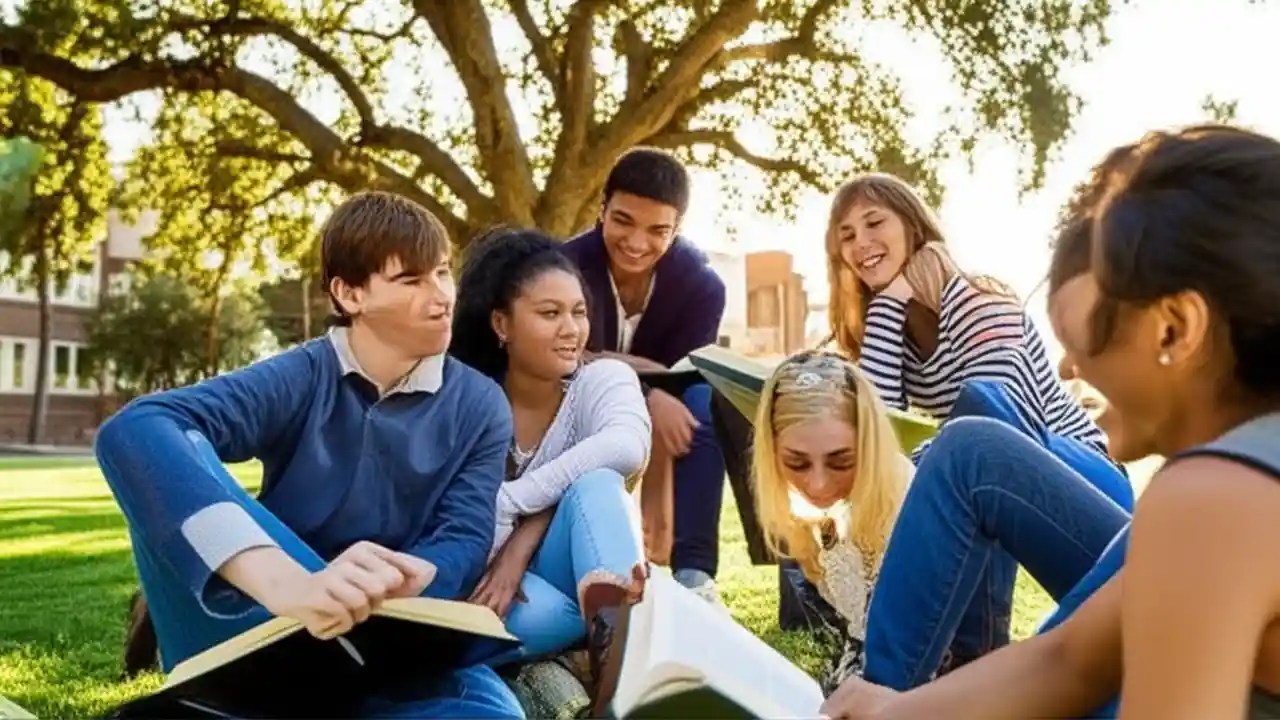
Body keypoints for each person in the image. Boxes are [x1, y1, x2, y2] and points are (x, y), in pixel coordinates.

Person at [822, 124, 1280, 720]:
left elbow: (1001, 404)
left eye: (1086, 335)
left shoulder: (1215, 494)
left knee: (974, 430)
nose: (1065, 367)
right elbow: (1069, 660)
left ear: (1176, 328)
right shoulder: (1227, 483)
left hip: (1071, 458)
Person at [94, 192, 523, 718]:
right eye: (411, 280)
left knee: (493, 711)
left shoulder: (481, 404)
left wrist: (413, 572)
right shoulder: (303, 375)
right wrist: (291, 585)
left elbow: (465, 536)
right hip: (266, 620)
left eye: (442, 272)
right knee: (168, 442)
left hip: (380, 634)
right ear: (350, 294)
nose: (441, 296)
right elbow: (133, 431)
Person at [823, 172, 1133, 512]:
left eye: (874, 223)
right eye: (847, 236)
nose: (861, 242)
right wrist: (886, 307)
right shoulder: (893, 329)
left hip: (1087, 473)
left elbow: (1000, 424)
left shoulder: (979, 303)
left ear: (913, 227)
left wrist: (915, 467)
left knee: (974, 441)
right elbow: (880, 429)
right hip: (998, 478)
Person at [449, 228, 650, 714]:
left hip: (583, 567)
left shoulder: (602, 380)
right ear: (501, 323)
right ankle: (584, 656)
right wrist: (510, 551)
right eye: (549, 313)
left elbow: (625, 447)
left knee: (597, 483)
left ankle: (622, 683)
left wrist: (518, 515)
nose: (571, 329)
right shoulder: (463, 399)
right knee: (515, 620)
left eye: (578, 312)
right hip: (511, 594)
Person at [560, 147, 728, 601]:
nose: (637, 242)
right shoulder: (563, 266)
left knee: (706, 403)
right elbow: (564, 360)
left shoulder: (702, 285)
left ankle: (695, 576)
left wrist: (605, 358)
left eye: (657, 231)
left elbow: (690, 373)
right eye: (624, 221)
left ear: (677, 229)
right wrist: (649, 389)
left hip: (672, 402)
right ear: (602, 209)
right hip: (572, 397)